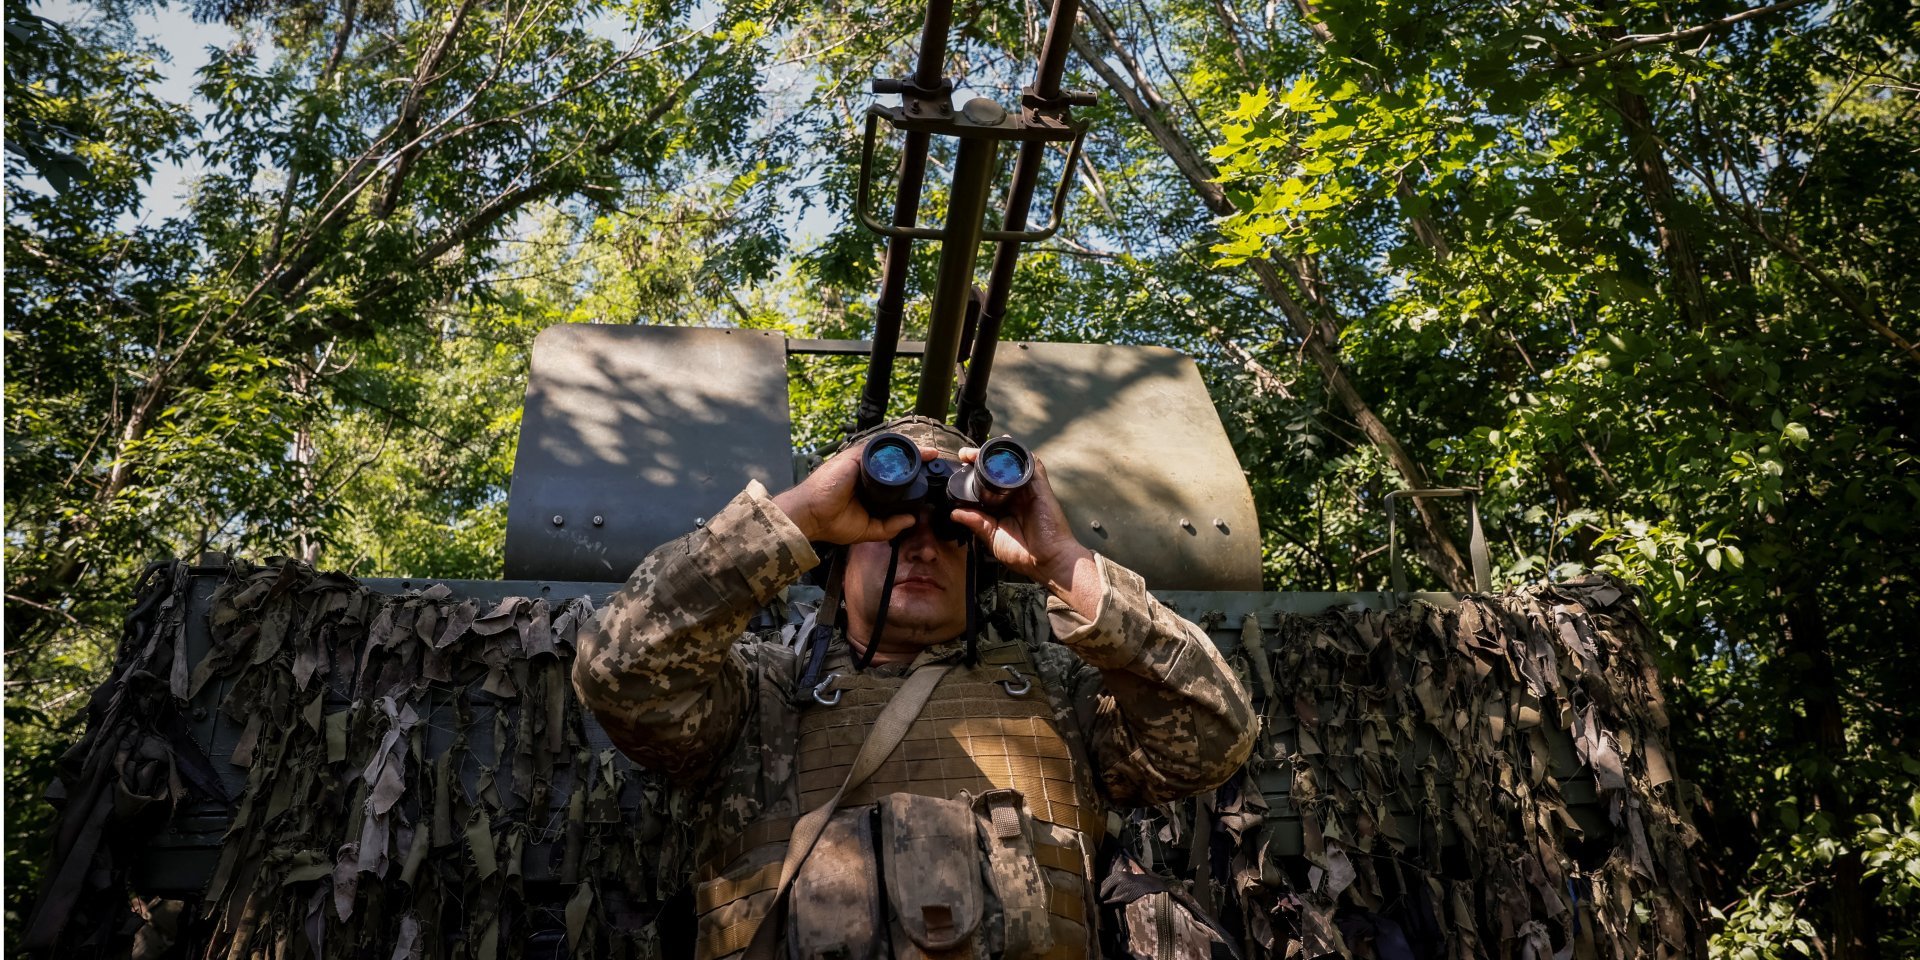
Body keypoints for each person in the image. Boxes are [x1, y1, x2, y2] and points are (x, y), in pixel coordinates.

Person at [572, 415, 1256, 960]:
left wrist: (1062, 561)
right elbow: (617, 670)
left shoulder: (1056, 694)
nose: (924, 546)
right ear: (837, 557)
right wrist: (799, 515)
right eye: (892, 526)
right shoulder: (761, 693)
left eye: (952, 533)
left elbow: (1214, 738)